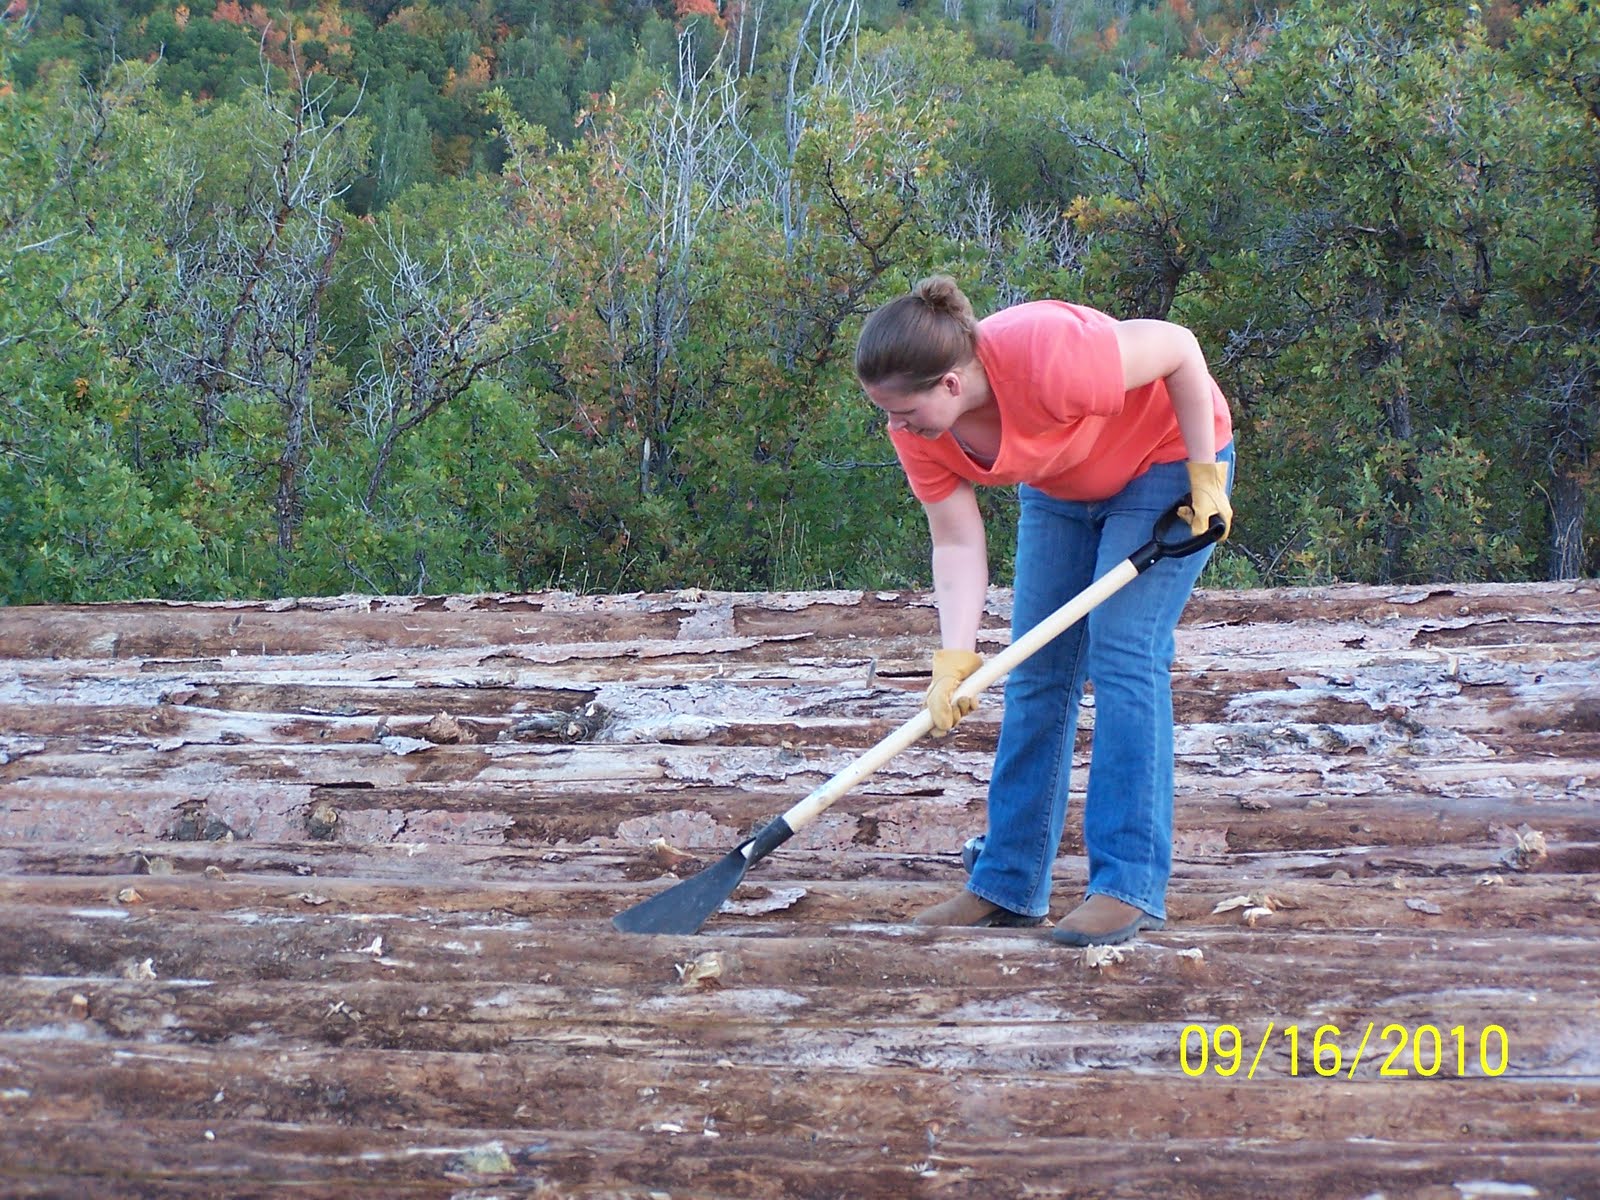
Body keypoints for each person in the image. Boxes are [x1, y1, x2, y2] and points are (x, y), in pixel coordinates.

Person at [854, 276, 1235, 946]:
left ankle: (1127, 885)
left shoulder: (1049, 356)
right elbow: (957, 542)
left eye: (904, 411)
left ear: (950, 383)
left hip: (1166, 461)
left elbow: (1179, 348)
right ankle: (1008, 882)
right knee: (1034, 669)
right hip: (1062, 487)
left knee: (1124, 651)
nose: (897, 426)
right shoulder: (919, 432)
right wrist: (954, 657)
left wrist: (1205, 475)